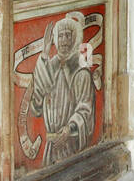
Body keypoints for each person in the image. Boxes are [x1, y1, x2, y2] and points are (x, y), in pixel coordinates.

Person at [29, 13, 96, 164]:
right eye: (60, 36)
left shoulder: (81, 71)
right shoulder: (50, 66)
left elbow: (85, 109)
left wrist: (69, 128)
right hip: (51, 146)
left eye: (68, 36)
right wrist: (44, 56)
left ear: (74, 39)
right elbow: (36, 107)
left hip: (70, 144)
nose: (64, 41)